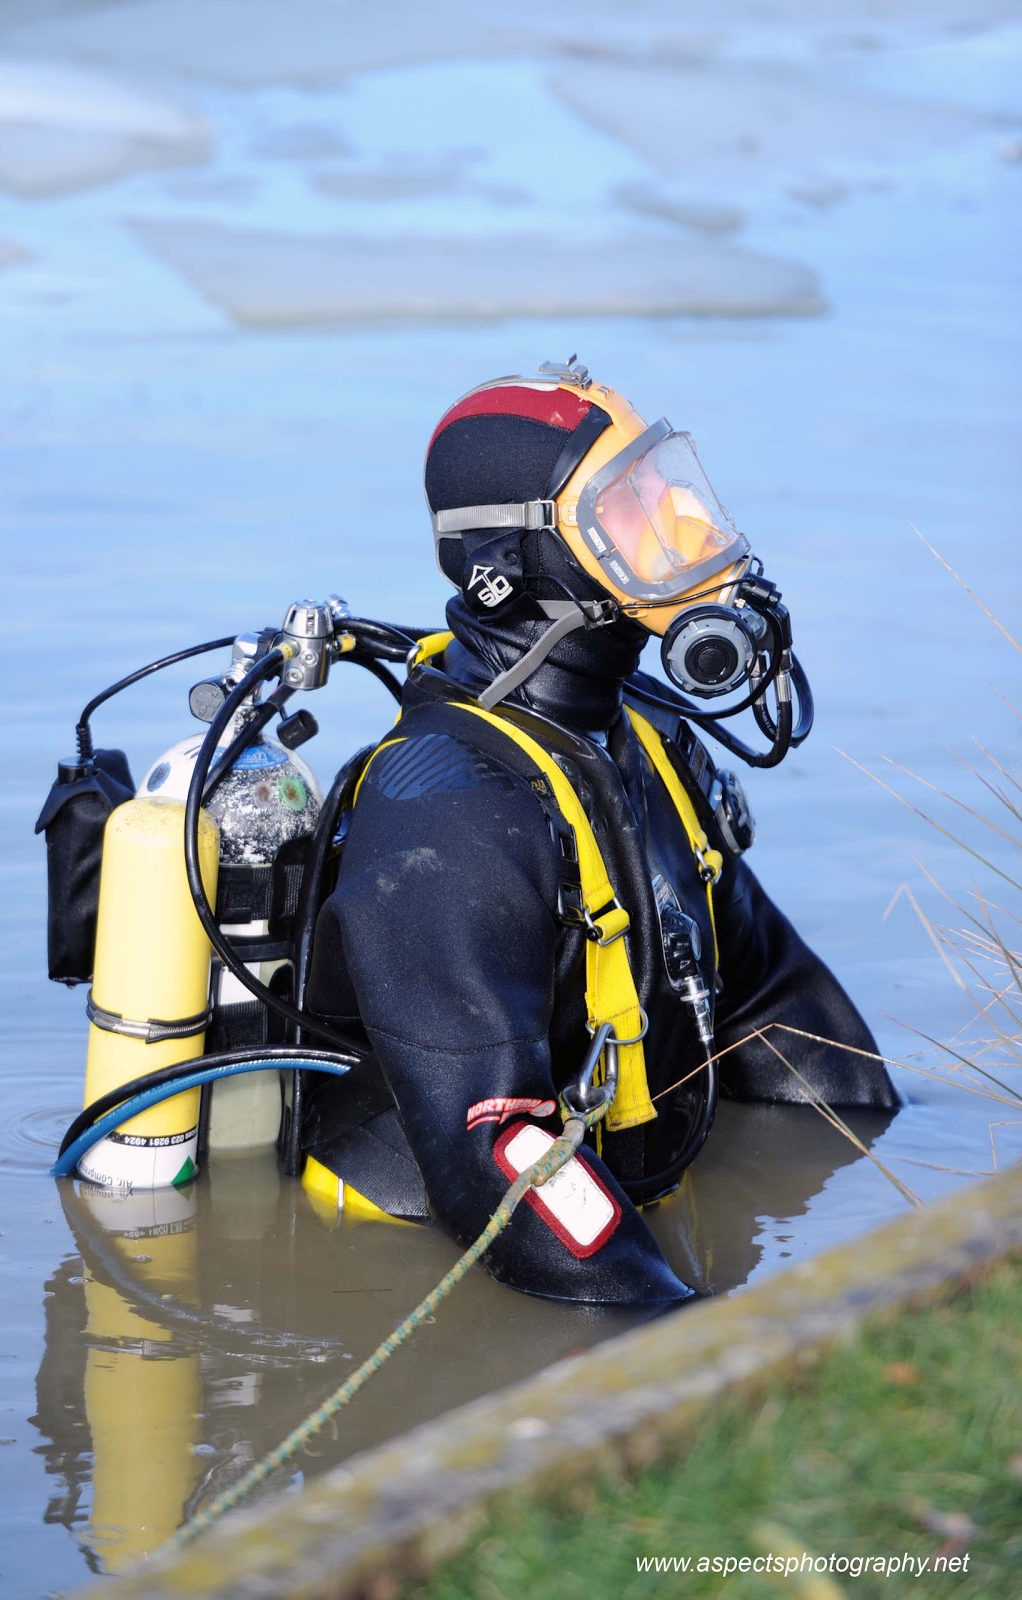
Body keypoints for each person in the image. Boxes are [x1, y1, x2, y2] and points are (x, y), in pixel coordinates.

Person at [301, 359, 899, 1307]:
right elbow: (498, 1155)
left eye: (666, 483)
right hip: (416, 1260)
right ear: (514, 564)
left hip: (633, 1210)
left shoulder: (647, 731)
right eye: (631, 504)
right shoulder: (445, 809)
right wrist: (684, 1334)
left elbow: (772, 1001)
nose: (685, 520)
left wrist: (917, 1206)